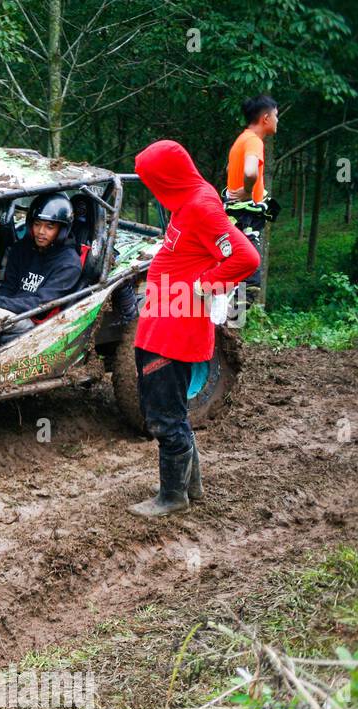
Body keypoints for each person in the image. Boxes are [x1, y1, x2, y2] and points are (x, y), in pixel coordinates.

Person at [129, 139, 259, 518]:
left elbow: (246, 257)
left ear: (168, 178)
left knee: (163, 417)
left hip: (173, 330)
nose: (152, 189)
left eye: (153, 181)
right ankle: (191, 486)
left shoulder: (201, 207)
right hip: (165, 322)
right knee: (173, 410)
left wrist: (206, 284)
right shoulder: (193, 195)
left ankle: (172, 497)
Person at [0, 192, 83, 361]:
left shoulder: (69, 263)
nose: (41, 232)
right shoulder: (22, 248)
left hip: (34, 319)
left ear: (62, 229)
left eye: (49, 227)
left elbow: (40, 303)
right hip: (10, 307)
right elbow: (8, 288)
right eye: (37, 224)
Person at [224, 94, 280, 302]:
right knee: (250, 282)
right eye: (276, 115)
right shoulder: (254, 142)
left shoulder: (243, 138)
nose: (277, 120)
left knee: (238, 272)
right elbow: (250, 172)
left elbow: (231, 168)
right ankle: (230, 325)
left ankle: (226, 324)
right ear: (265, 118)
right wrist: (247, 190)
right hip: (244, 219)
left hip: (240, 215)